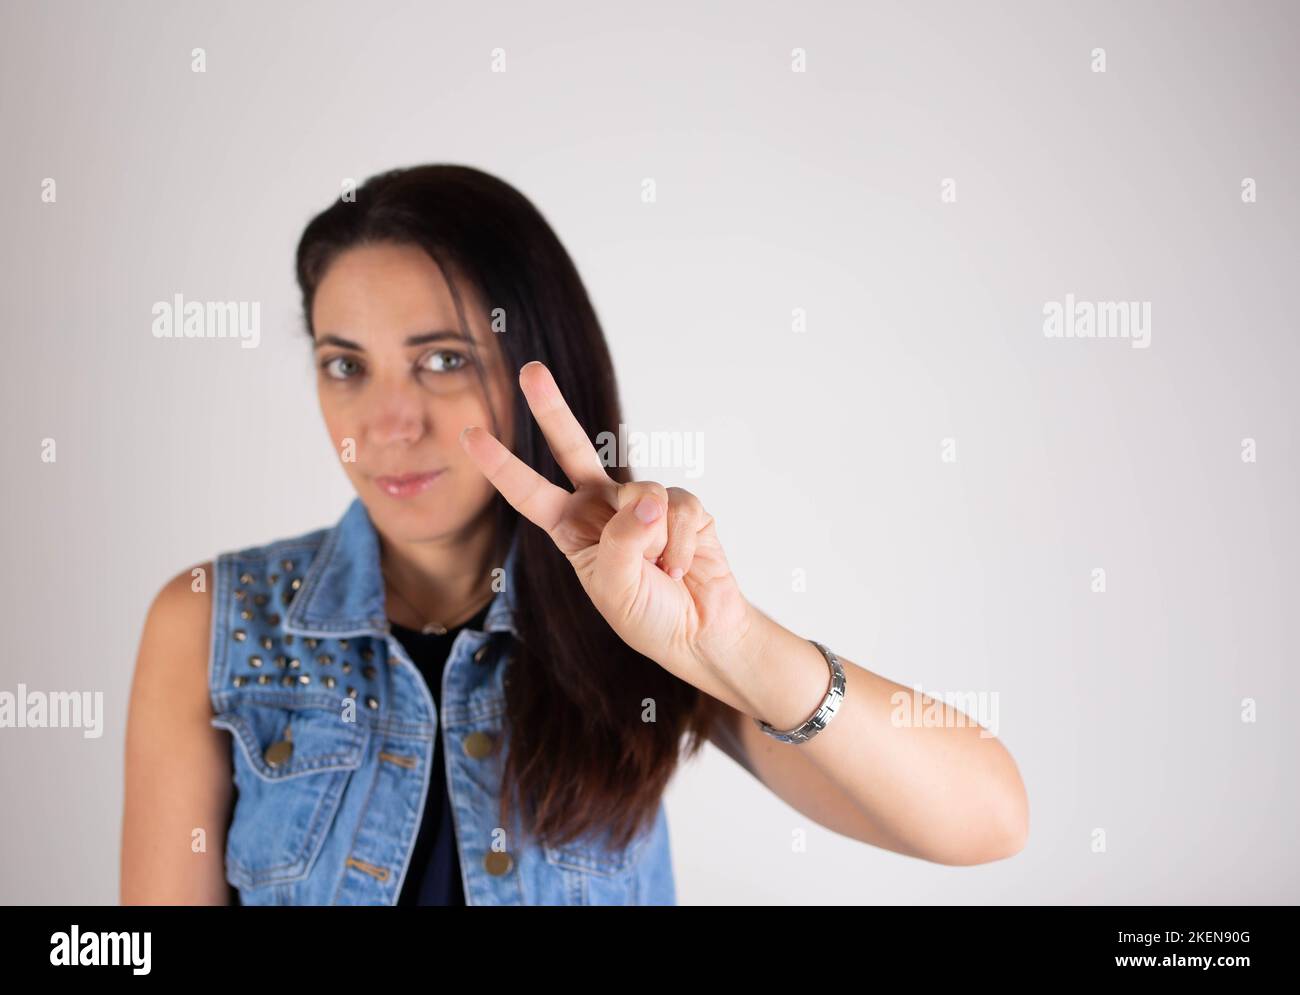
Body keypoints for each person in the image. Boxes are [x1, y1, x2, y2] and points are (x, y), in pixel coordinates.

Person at [120, 164, 1030, 905]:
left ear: (535, 364)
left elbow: (987, 819)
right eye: (344, 364)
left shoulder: (635, 612)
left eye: (443, 359)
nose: (387, 421)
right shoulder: (214, 621)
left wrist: (730, 641)